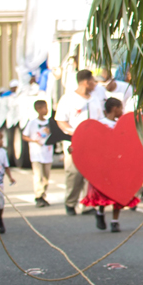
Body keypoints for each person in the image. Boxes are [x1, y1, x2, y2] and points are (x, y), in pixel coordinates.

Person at [78, 98, 139, 233]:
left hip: (118, 164)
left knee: (118, 192)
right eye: (120, 108)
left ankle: (114, 221)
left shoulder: (120, 125)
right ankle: (100, 212)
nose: (122, 111)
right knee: (103, 192)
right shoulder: (100, 125)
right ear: (115, 108)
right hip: (103, 164)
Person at [56, 69, 104, 215]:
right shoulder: (68, 98)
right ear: (85, 82)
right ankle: (71, 203)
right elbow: (60, 120)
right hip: (75, 141)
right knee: (74, 173)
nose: (95, 84)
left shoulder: (95, 99)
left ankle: (88, 203)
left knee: (91, 172)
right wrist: (72, 132)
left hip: (93, 141)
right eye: (92, 81)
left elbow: (100, 118)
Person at [24, 99, 54, 207]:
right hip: (36, 153)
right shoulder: (32, 123)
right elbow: (25, 135)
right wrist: (33, 141)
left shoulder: (50, 123)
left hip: (47, 153)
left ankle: (43, 195)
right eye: (43, 108)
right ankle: (38, 196)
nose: (46, 110)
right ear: (38, 110)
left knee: (46, 177)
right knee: (38, 175)